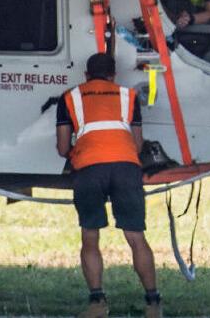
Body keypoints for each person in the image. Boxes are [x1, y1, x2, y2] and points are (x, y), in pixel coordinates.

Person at [55, 53, 161, 318]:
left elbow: (62, 148)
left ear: (86, 76)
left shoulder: (70, 97)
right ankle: (153, 303)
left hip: (89, 168)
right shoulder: (128, 96)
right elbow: (137, 144)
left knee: (90, 236)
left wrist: (78, 153)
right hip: (126, 167)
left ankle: (97, 303)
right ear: (114, 75)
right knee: (136, 237)